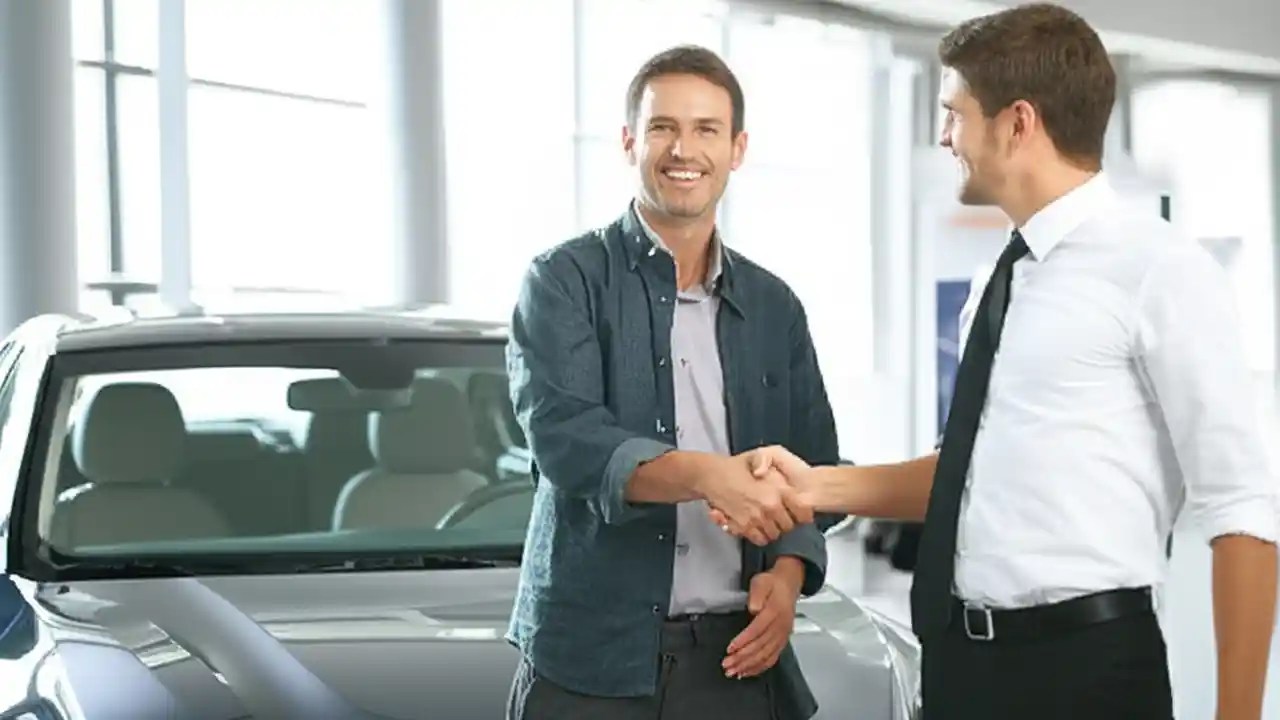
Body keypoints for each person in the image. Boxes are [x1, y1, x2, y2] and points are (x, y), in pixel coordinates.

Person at [716, 4, 1280, 720]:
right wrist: (815, 486)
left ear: (1018, 123)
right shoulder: (998, 279)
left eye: (954, 112)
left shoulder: (1160, 269)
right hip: (965, 664)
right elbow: (969, 474)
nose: (944, 135)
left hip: (1088, 666)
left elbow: (1241, 509)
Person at [503, 44, 840, 720]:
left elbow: (817, 466)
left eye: (706, 129)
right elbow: (568, 441)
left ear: (737, 149)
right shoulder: (564, 281)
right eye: (663, 128)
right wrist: (705, 475)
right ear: (631, 142)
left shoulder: (775, 305)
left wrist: (789, 569)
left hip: (735, 660)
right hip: (589, 661)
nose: (684, 149)